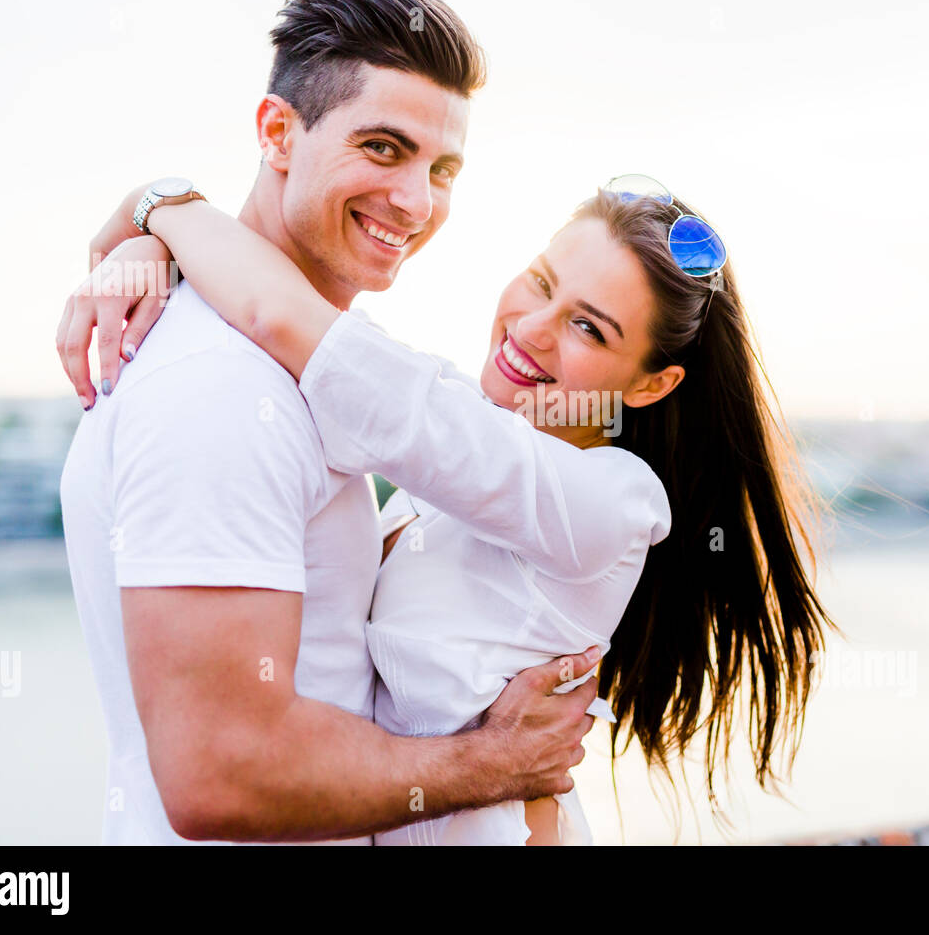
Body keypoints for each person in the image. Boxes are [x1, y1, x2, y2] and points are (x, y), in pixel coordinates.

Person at [63, 173, 837, 843]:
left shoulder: (609, 503)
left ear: (650, 386)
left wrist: (158, 204)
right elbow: (295, 331)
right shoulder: (458, 456)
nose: (530, 330)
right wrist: (155, 247)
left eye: (587, 328)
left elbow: (294, 324)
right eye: (540, 281)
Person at [54, 0, 600, 845]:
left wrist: (158, 211)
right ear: (278, 132)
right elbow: (221, 771)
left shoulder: (291, 362)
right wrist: (497, 762)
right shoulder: (221, 388)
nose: (417, 203)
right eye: (383, 148)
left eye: (442, 169)